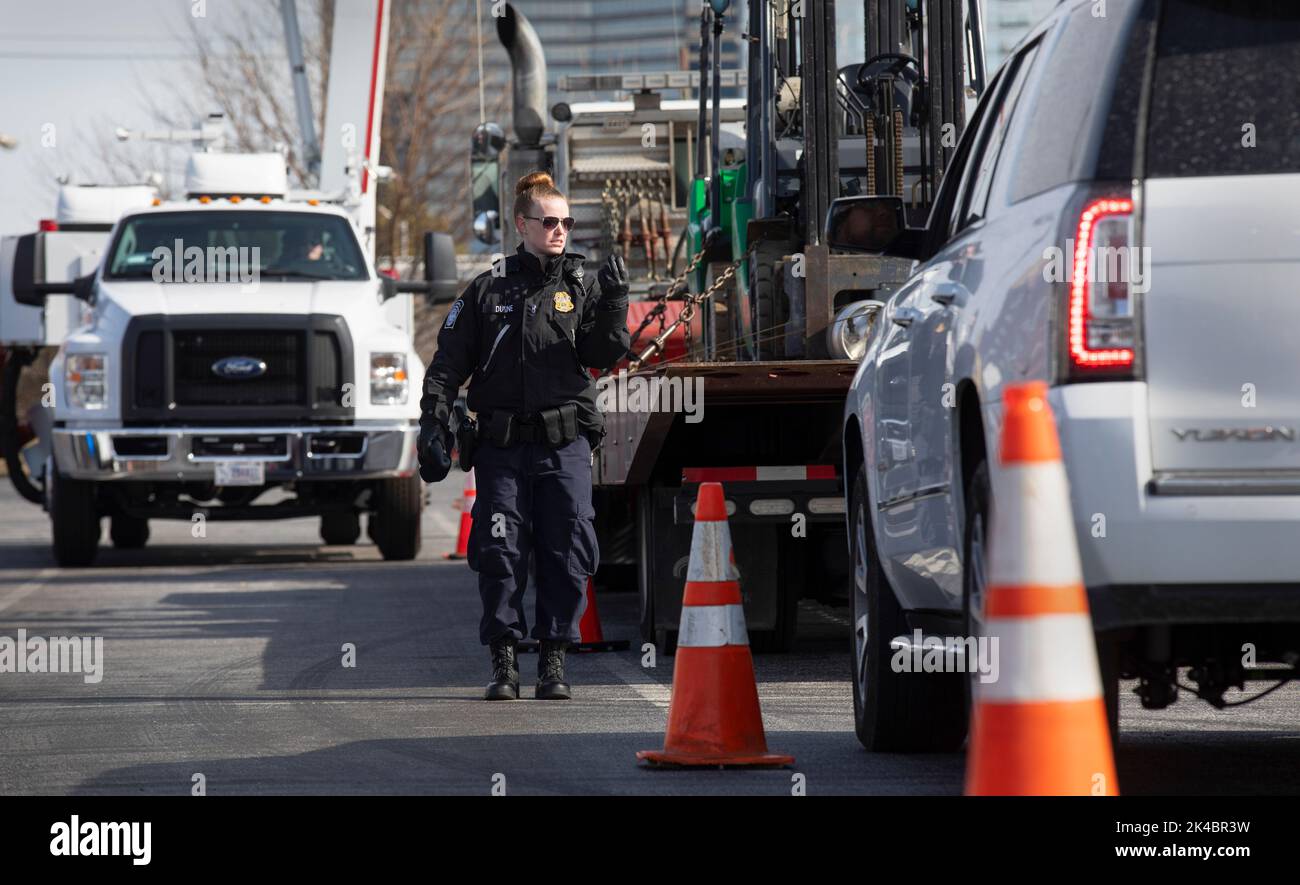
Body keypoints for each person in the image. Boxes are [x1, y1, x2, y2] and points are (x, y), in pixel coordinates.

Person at [417, 171, 630, 701]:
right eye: (549, 221)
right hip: (502, 446)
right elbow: (447, 366)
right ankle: (504, 660)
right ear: (522, 224)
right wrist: (432, 425)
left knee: (569, 546)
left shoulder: (580, 286)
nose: (560, 230)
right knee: (500, 549)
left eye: (566, 222)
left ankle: (555, 657)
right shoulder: (488, 289)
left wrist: (615, 304)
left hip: (565, 444)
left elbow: (602, 356)